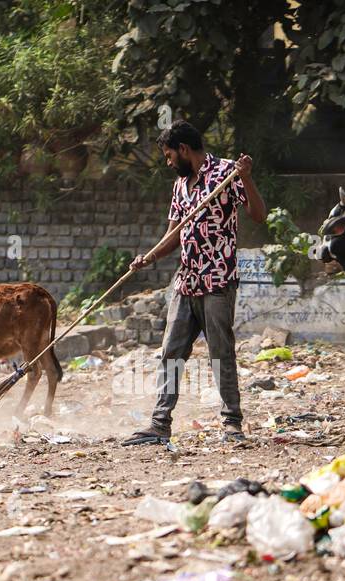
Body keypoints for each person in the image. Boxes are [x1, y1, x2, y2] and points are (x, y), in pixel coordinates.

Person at [121, 120, 267, 447]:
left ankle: (232, 425)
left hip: (217, 279)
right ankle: (159, 424)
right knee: (171, 351)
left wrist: (246, 178)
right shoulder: (181, 186)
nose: (169, 162)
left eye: (170, 156)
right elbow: (174, 234)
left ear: (184, 150)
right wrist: (150, 257)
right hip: (186, 280)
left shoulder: (227, 173)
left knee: (221, 353)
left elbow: (259, 215)